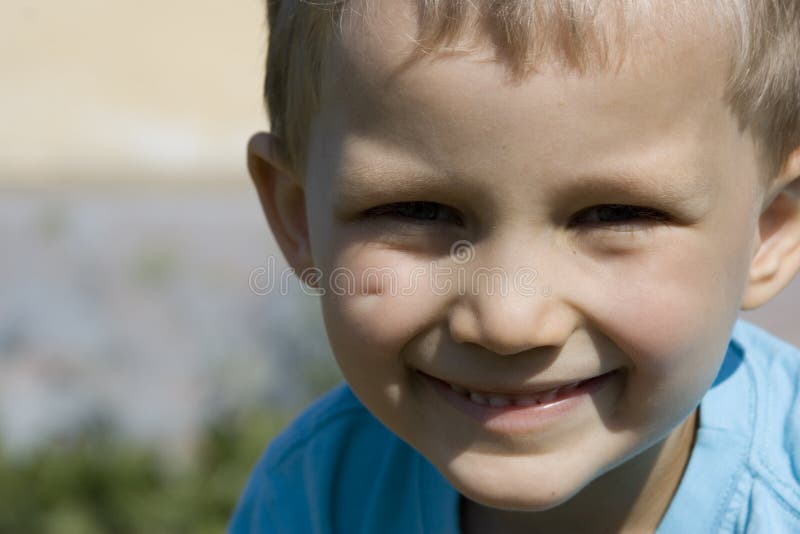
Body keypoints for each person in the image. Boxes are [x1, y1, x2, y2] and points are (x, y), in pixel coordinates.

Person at [230, 1, 800, 532]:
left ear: (768, 227)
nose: (508, 324)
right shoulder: (313, 497)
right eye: (416, 210)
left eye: (612, 215)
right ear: (298, 215)